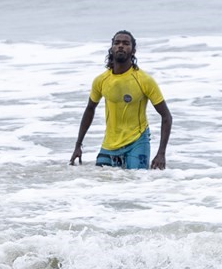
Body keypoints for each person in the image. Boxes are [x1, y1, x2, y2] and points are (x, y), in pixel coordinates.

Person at [71, 30, 172, 170]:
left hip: (137, 142)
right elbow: (90, 109)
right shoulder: (101, 80)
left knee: (137, 183)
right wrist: (78, 145)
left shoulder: (144, 80)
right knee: (101, 184)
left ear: (133, 50)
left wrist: (161, 153)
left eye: (126, 43)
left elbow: (166, 116)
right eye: (117, 43)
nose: (120, 46)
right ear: (111, 48)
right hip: (109, 144)